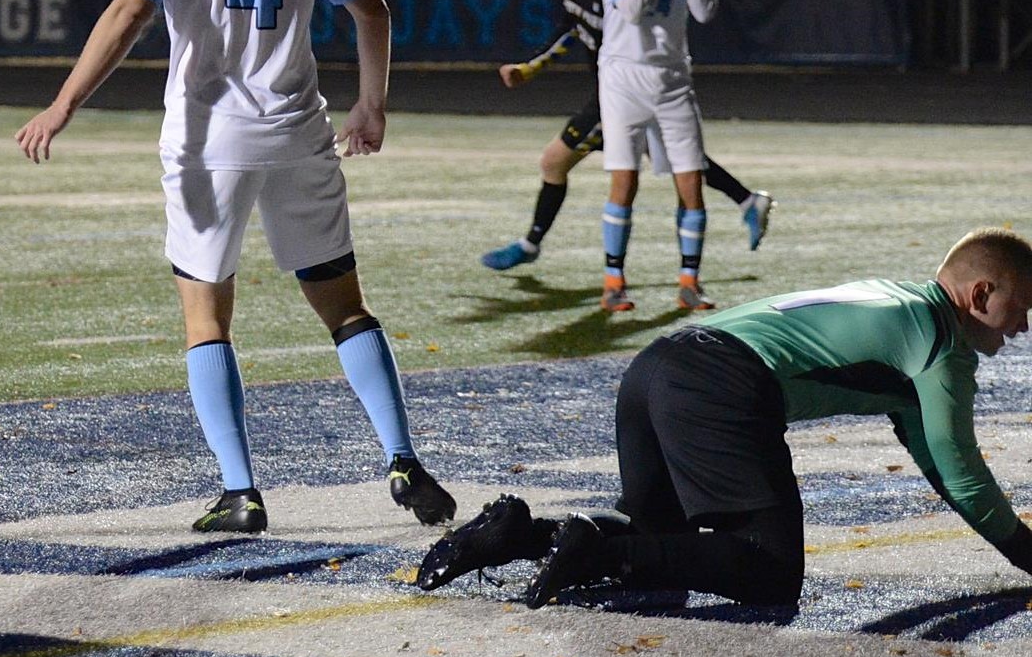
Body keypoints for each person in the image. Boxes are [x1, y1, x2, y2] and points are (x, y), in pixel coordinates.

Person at [15, 0, 456, 534]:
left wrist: (64, 101)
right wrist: (372, 105)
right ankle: (402, 457)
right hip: (299, 132)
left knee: (206, 318)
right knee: (344, 307)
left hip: (210, 140)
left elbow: (128, 11)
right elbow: (372, 11)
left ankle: (240, 490)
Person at [419, 227, 1032, 609]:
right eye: (1022, 308)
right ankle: (591, 553)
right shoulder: (940, 343)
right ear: (979, 294)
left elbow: (935, 459)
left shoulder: (894, 297)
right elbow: (963, 472)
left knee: (654, 531)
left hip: (656, 365)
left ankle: (518, 535)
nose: (1024, 326)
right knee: (768, 572)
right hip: (720, 382)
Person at [480, 0, 772, 275]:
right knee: (677, 160)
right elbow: (569, 33)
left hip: (623, 93)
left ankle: (541, 247)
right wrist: (528, 69)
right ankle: (747, 202)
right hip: (621, 92)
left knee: (558, 161)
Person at [590, 0, 719, 312]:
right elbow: (630, 11)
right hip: (624, 77)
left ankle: (689, 281)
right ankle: (613, 282)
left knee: (691, 182)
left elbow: (704, 12)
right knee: (625, 180)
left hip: (673, 78)